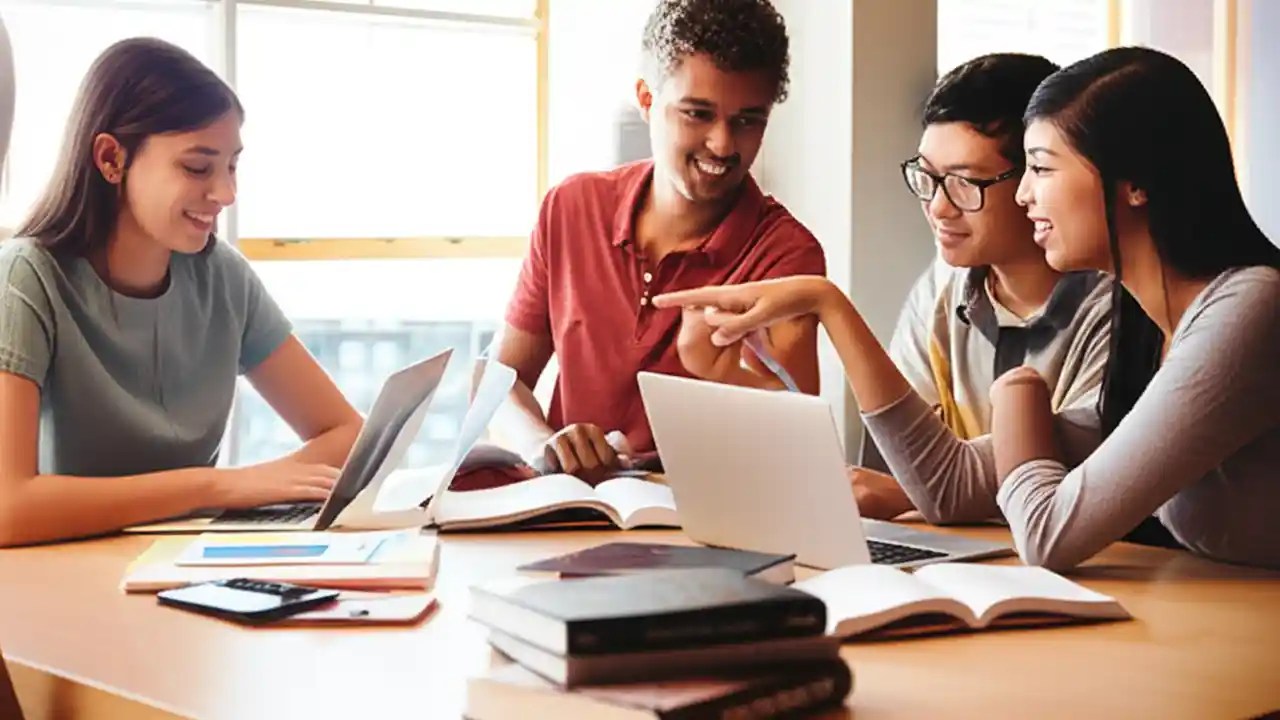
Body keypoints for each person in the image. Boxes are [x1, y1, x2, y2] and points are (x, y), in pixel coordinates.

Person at [656, 47, 1280, 570]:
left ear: (1135, 184)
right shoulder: (1153, 327)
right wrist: (828, 305)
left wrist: (1019, 394)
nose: (1027, 194)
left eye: (1039, 169)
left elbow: (1049, 533)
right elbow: (949, 486)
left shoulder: (1248, 309)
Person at [0, 38, 362, 547]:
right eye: (197, 167)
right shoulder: (26, 279)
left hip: (181, 569)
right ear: (111, 159)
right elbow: (8, 509)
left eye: (231, 166)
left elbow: (347, 435)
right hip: (59, 580)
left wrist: (256, 487)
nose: (226, 194)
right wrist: (219, 486)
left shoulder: (223, 278)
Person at [488, 0, 825, 482]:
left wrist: (723, 374)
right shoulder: (571, 207)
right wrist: (541, 443)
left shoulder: (788, 254)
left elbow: (793, 444)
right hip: (565, 511)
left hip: (705, 521)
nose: (723, 144)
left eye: (748, 120)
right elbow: (500, 381)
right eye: (697, 114)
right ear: (646, 99)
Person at [850, 53, 1115, 521]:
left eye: (965, 183)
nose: (938, 207)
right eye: (928, 178)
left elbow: (1086, 483)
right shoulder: (942, 288)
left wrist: (914, 494)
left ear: (1033, 177)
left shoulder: (1117, 313)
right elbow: (894, 464)